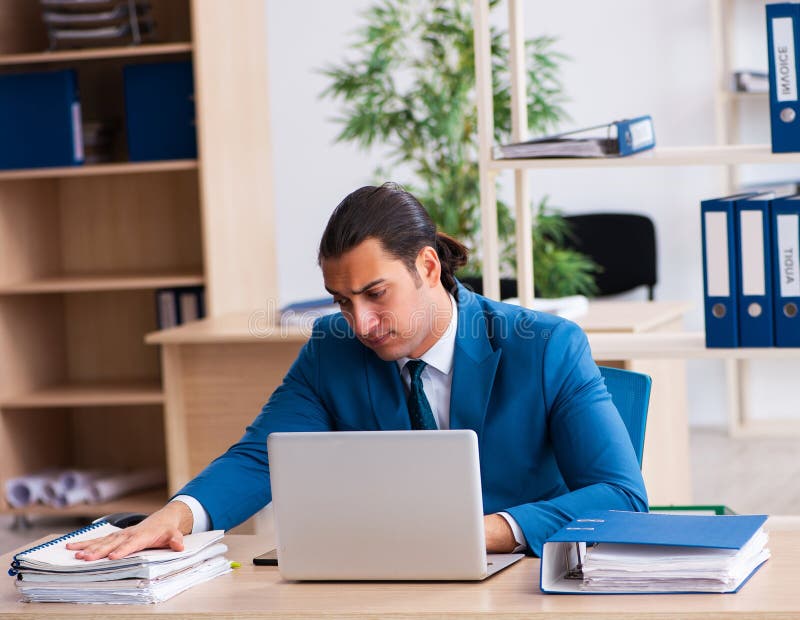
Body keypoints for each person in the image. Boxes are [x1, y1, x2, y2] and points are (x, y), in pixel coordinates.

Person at [68, 183, 647, 561]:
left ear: (427, 266)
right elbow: (260, 456)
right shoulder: (331, 348)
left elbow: (622, 496)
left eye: (375, 294)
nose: (361, 322)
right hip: (380, 579)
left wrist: (486, 531)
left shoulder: (545, 347)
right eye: (342, 300)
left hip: (519, 581)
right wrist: (174, 516)